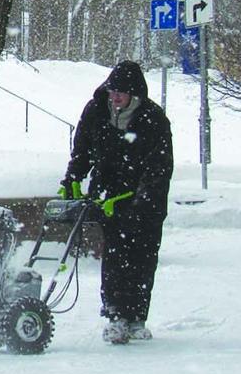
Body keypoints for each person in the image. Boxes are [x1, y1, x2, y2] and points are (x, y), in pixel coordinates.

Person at [59, 60, 173, 345]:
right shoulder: (97, 111)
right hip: (109, 196)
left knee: (142, 259)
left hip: (145, 204)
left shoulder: (153, 119)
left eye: (121, 93)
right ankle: (115, 316)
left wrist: (141, 199)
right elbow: (82, 150)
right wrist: (73, 179)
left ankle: (137, 318)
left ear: (135, 94)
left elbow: (159, 167)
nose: (115, 97)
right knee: (115, 257)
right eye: (112, 92)